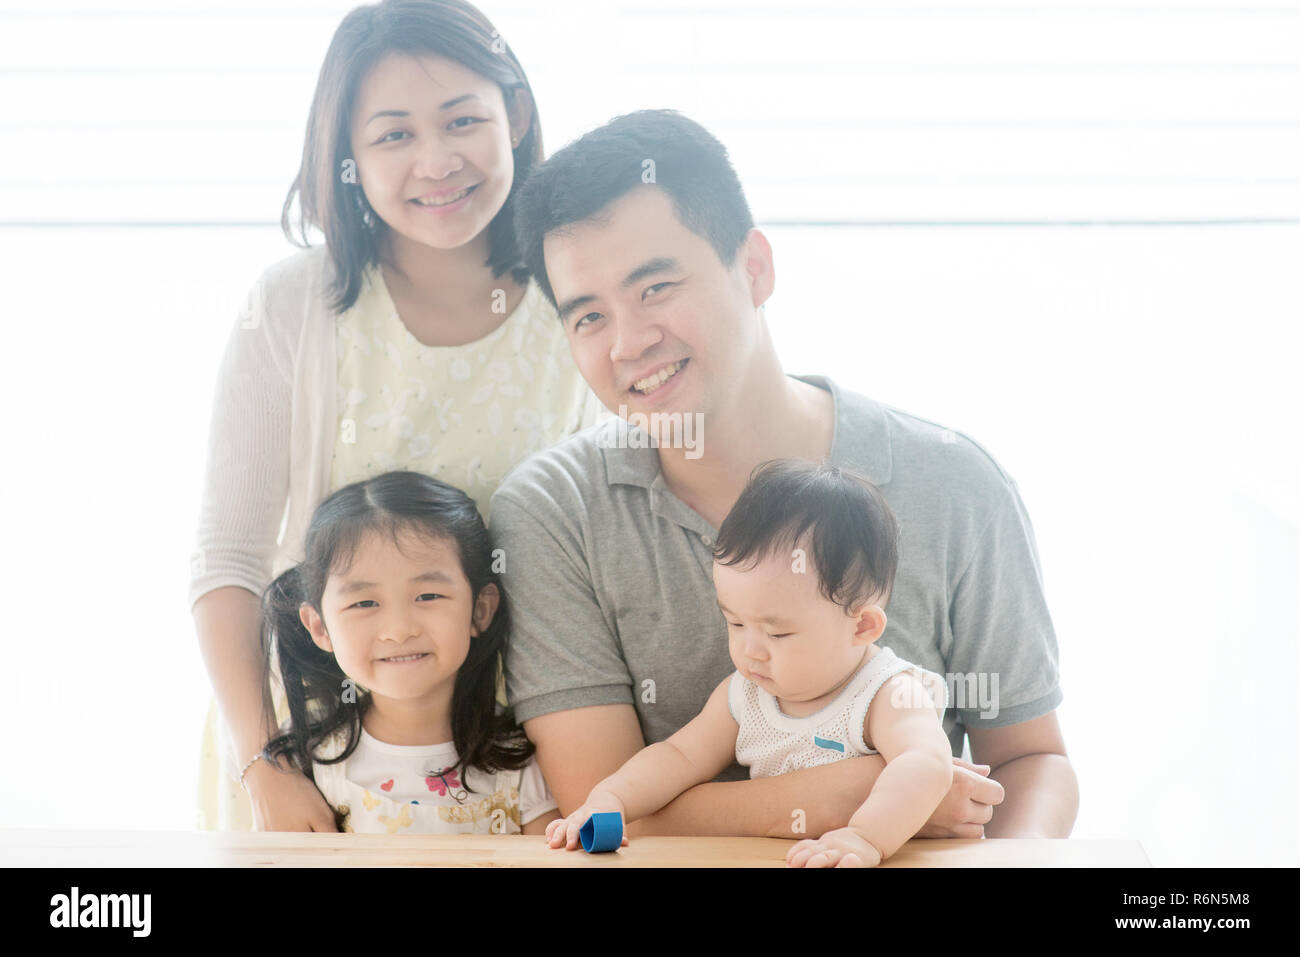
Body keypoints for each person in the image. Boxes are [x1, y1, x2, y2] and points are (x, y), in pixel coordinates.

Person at [490, 108, 1079, 841]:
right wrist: (864, 792)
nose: (629, 344)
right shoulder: (553, 513)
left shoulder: (954, 485)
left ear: (755, 267)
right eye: (588, 318)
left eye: (655, 288)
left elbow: (1030, 759)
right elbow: (603, 816)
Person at [188, 0, 599, 832]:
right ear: (347, 156)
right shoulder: (294, 306)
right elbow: (227, 558)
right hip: (302, 761)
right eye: (393, 135)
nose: (437, 161)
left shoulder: (580, 299)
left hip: (515, 764)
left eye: (462, 120)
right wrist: (263, 760)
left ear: (514, 114)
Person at [547, 460, 954, 867]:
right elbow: (678, 757)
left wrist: (864, 838)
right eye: (735, 623)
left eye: (777, 634)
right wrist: (613, 797)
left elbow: (926, 763)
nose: (750, 650)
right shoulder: (745, 695)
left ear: (862, 625)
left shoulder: (887, 692)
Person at [258, 469, 560, 834]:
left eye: (428, 596)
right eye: (365, 602)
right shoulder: (307, 763)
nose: (399, 630)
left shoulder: (523, 762)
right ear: (319, 627)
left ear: (479, 610)